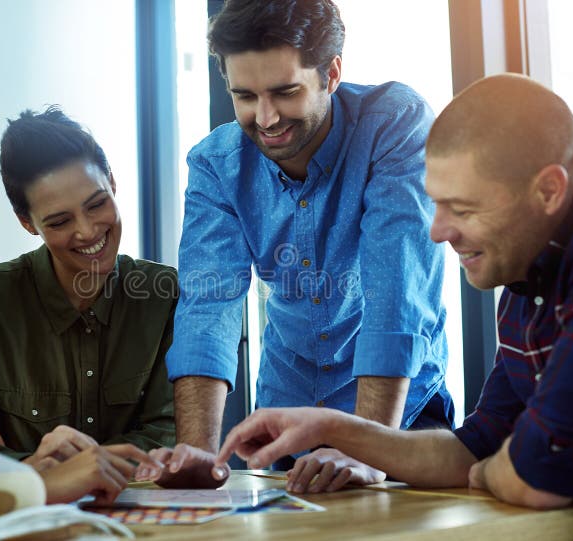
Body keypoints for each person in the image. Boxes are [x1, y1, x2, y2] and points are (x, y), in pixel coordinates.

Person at [215, 74, 573, 529]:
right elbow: (472, 447)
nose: (438, 231)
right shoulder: (525, 288)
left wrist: (491, 472)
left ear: (548, 191)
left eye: (463, 209)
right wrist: (329, 427)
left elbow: (536, 476)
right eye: (437, 205)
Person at [157, 0, 451, 488]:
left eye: (285, 92)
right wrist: (198, 456)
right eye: (245, 96)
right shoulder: (215, 164)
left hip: (396, 416)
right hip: (285, 418)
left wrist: (369, 448)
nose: (266, 118)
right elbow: (208, 309)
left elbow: (397, 291)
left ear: (331, 74)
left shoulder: (394, 123)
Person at [0, 107, 177, 471]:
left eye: (97, 204)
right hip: (24, 506)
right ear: (27, 222)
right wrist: (44, 472)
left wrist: (42, 466)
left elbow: (170, 434)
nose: (87, 231)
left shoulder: (164, 295)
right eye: (60, 221)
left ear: (112, 183)